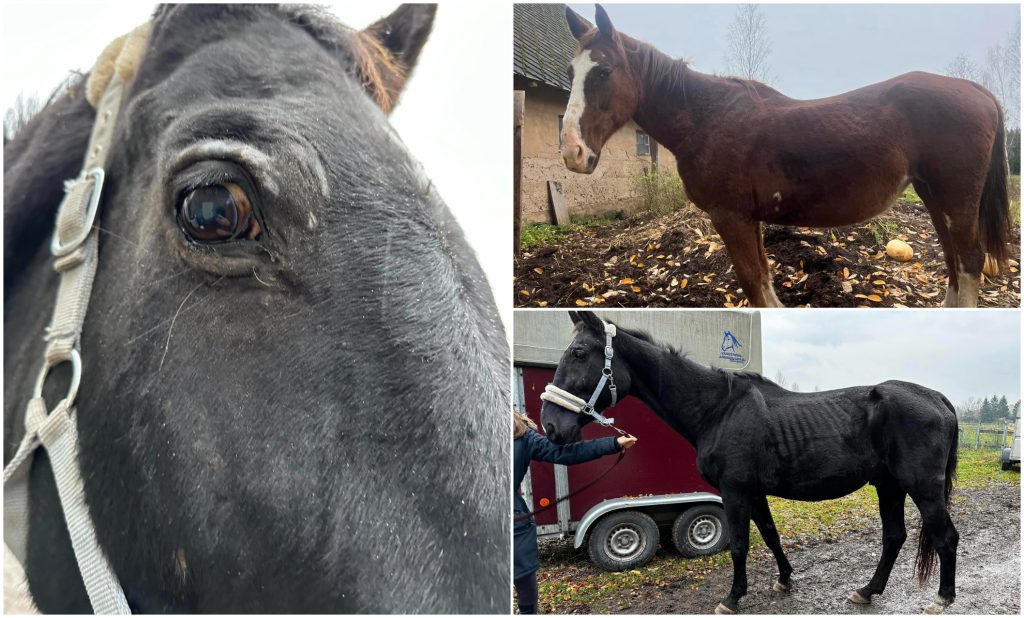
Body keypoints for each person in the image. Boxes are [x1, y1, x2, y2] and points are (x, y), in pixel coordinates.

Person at [512, 411, 637, 614]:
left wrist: (614, 443)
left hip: (513, 522)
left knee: (525, 581)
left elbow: (565, 453)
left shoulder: (521, 434)